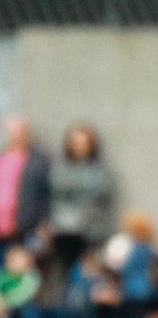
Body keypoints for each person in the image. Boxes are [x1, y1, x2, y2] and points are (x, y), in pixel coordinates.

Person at [48, 123, 115, 299]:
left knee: (88, 271)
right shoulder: (61, 168)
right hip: (64, 231)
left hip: (91, 231)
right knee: (65, 271)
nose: (80, 147)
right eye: (76, 142)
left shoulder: (99, 170)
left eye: (84, 142)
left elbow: (103, 197)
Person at [0, 115, 51, 263]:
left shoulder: (38, 160)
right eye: (12, 132)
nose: (16, 136)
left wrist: (44, 223)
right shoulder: (3, 157)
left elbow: (46, 193)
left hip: (25, 226)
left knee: (20, 273)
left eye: (20, 132)